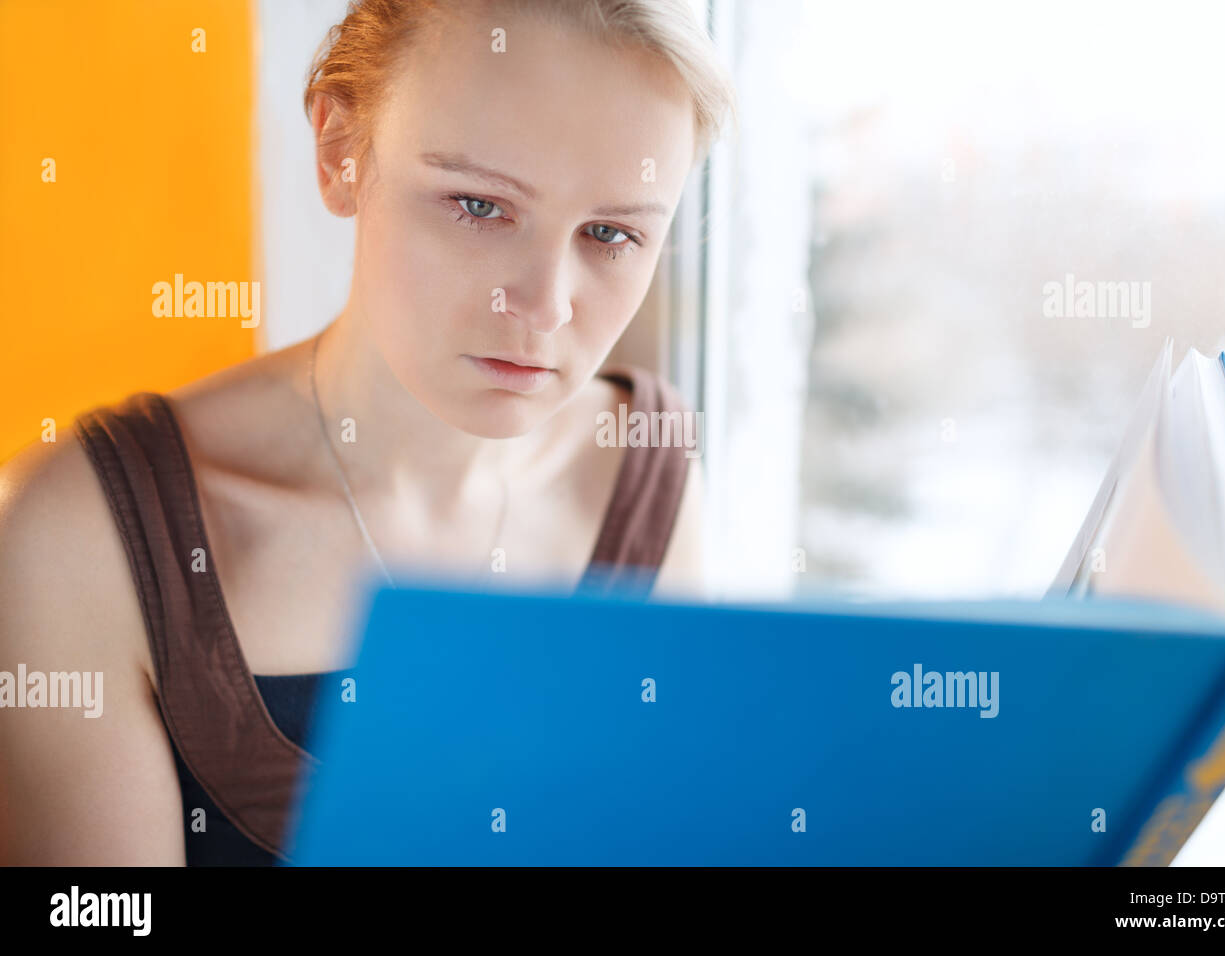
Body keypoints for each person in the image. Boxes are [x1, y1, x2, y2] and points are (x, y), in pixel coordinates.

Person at [0, 0, 736, 865]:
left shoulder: (646, 470)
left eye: (611, 233)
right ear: (340, 148)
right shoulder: (77, 536)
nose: (541, 306)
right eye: (477, 205)